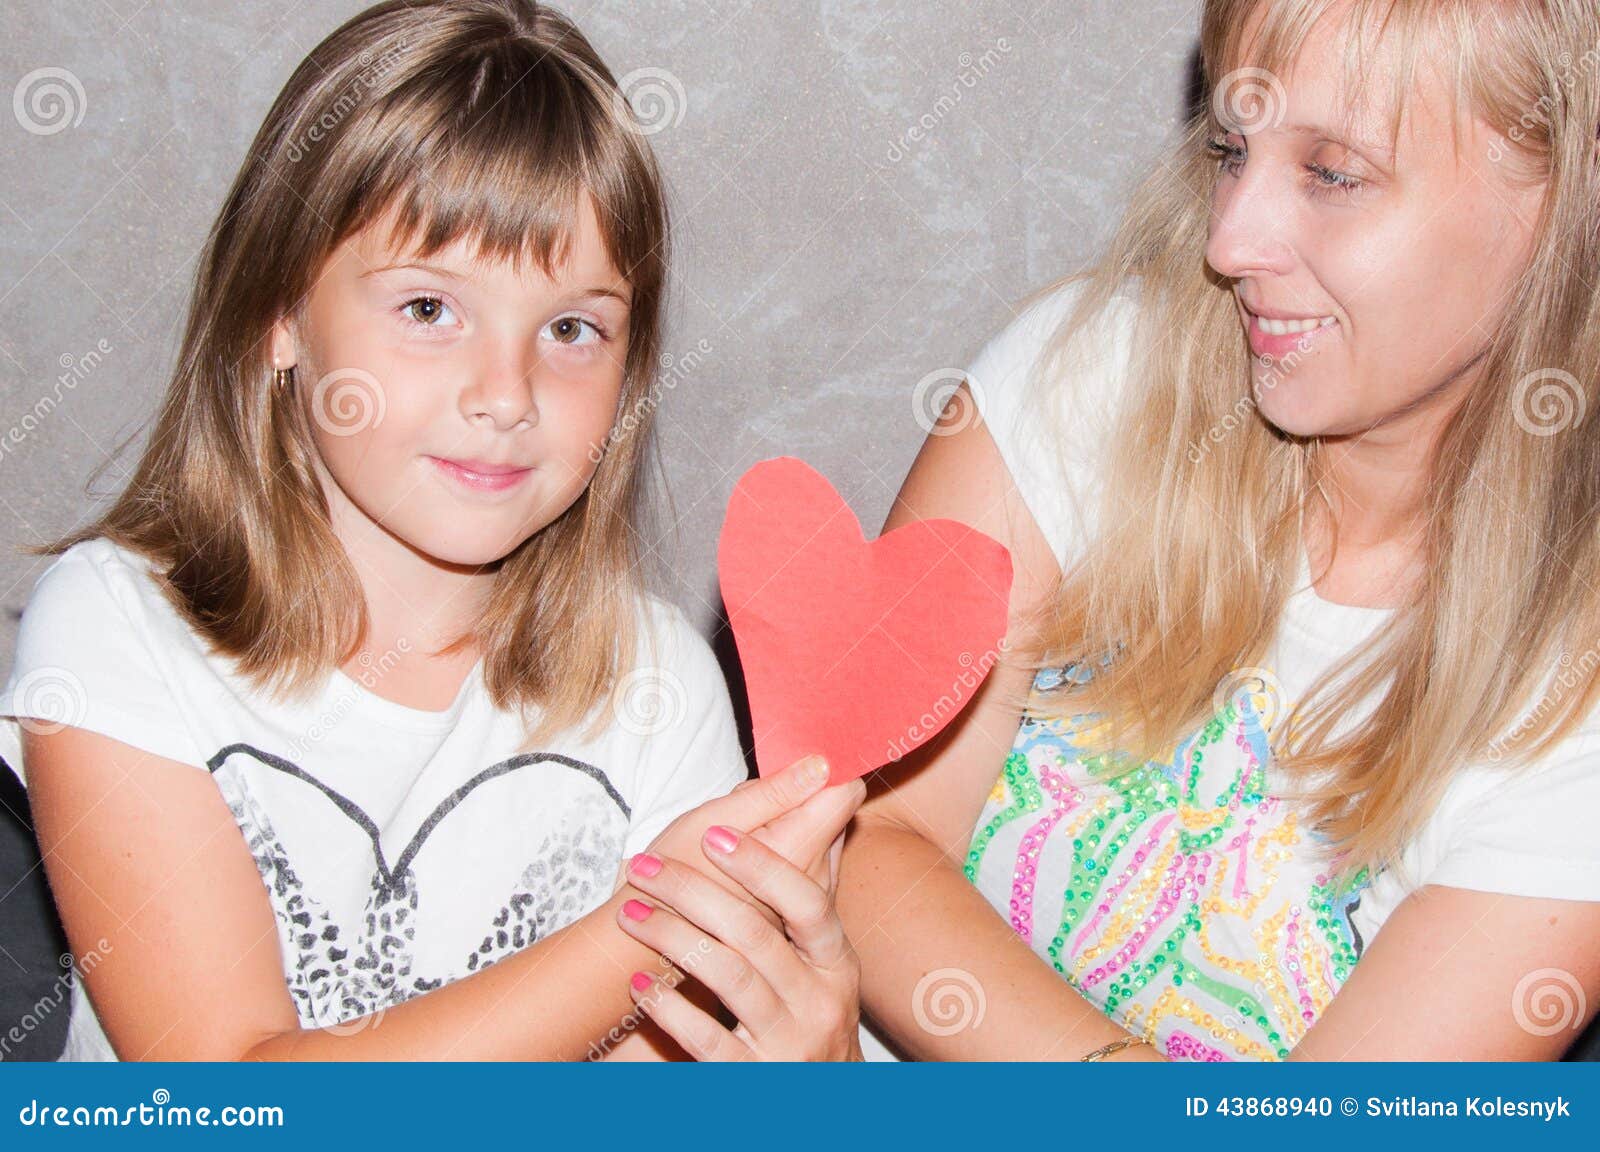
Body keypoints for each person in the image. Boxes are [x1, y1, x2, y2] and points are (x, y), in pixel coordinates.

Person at [0, 0, 864, 1062]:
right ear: (278, 314)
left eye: (571, 328)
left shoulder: (658, 683)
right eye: (427, 309)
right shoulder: (118, 628)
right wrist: (657, 923)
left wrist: (799, 1079)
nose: (505, 393)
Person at [839, 0, 1600, 1061]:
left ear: (1558, 204)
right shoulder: (1091, 373)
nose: (1228, 239)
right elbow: (866, 831)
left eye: (1333, 173)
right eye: (1231, 151)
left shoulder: (1572, 698)